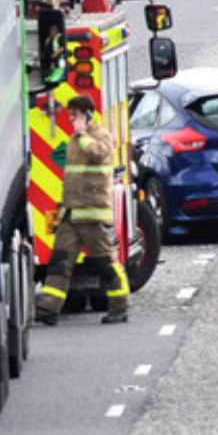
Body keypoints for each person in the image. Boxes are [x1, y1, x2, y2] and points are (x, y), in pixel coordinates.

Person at [35, 95, 131, 325]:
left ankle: (120, 306)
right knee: (60, 261)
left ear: (88, 115)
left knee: (105, 263)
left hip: (93, 213)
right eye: (70, 116)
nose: (72, 120)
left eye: (76, 115)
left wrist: (83, 134)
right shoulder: (74, 140)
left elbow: (99, 154)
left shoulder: (100, 137)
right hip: (72, 213)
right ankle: (48, 308)